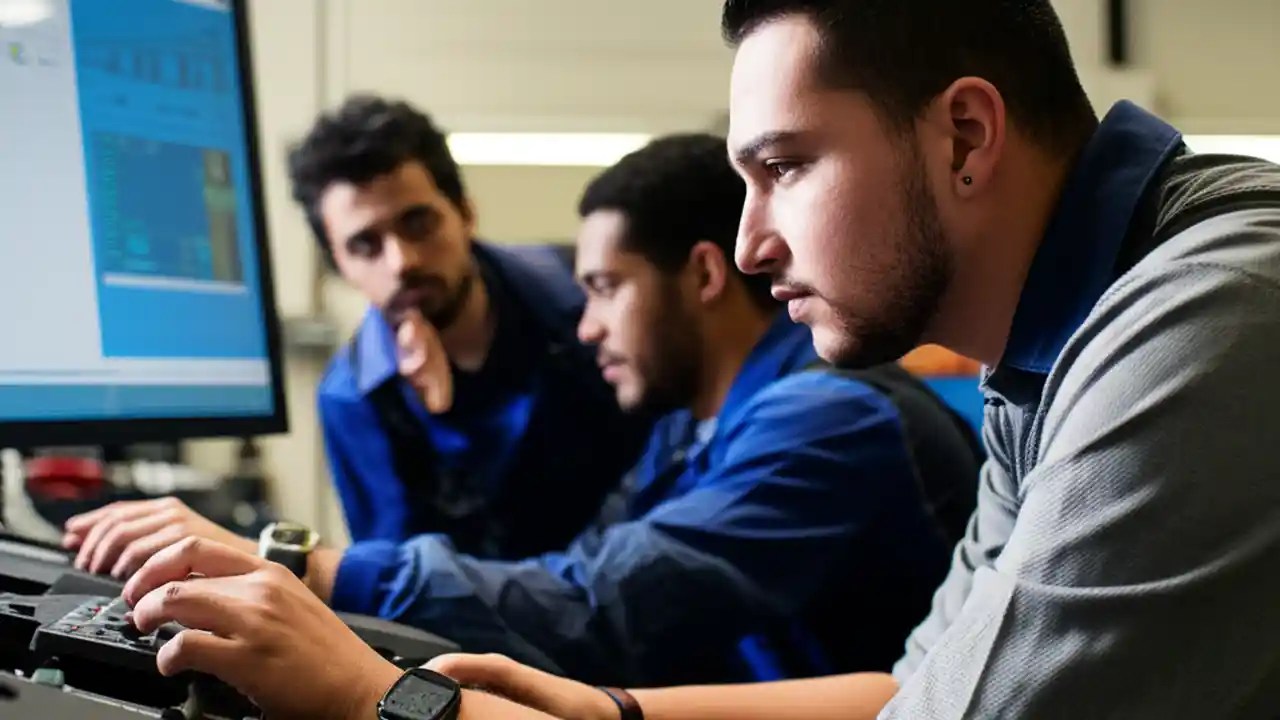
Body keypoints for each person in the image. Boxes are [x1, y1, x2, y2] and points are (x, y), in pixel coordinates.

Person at [79, 0, 1280, 713]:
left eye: (785, 167)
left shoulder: (1205, 319)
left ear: (964, 134)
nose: (751, 241)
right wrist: (610, 712)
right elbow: (914, 689)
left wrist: (372, 698)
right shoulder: (1046, 348)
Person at [70, 133, 980, 691]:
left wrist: (309, 568)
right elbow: (582, 569)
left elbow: (604, 603)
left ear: (704, 276)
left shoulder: (824, 421)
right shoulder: (687, 419)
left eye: (606, 289)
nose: (586, 327)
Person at [63, 95, 652, 573]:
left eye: (418, 223)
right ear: (339, 265)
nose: (401, 262)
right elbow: (396, 580)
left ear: (465, 212)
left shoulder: (586, 301)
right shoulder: (354, 400)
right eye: (365, 245)